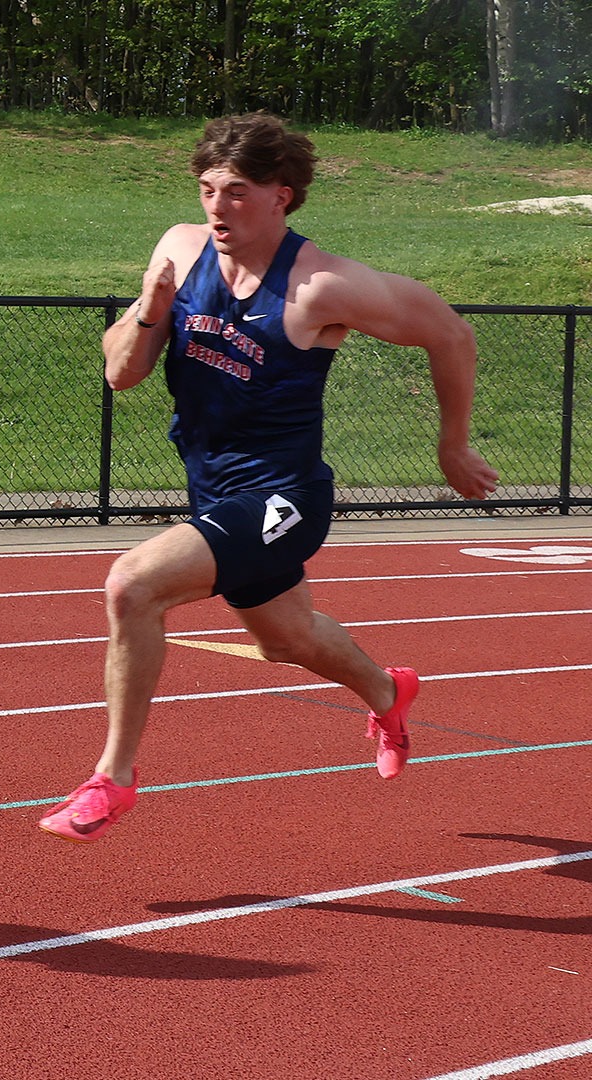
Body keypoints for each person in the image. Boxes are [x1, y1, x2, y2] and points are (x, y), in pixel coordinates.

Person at [36, 112, 500, 844]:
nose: (218, 208)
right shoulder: (180, 252)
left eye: (239, 193)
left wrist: (452, 444)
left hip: (286, 496)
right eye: (207, 190)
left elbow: (451, 332)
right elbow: (122, 373)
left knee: (133, 584)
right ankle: (387, 691)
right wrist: (152, 310)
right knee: (286, 640)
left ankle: (112, 781)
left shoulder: (322, 286)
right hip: (215, 490)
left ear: (283, 195)